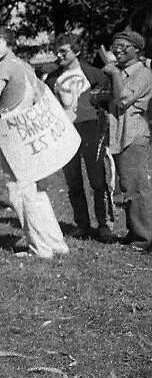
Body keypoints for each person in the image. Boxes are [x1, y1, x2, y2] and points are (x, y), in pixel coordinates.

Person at [0, 25, 68, 259]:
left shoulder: (4, 66)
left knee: (18, 190)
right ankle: (55, 242)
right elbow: (40, 95)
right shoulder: (25, 65)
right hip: (29, 130)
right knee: (36, 189)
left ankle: (39, 247)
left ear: (8, 43)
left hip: (11, 130)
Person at [46, 33, 115, 243]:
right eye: (56, 52)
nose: (58, 56)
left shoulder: (94, 74)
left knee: (98, 180)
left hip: (92, 130)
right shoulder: (52, 79)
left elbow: (109, 100)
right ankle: (82, 225)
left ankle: (104, 225)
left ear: (76, 51)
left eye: (63, 51)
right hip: (66, 134)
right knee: (73, 181)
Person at [98, 29, 152, 248]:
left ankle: (144, 238)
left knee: (137, 187)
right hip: (118, 134)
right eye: (115, 47)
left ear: (137, 50)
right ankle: (134, 231)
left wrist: (113, 73)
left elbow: (122, 100)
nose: (117, 50)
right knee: (127, 185)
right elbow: (101, 96)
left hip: (133, 135)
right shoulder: (120, 72)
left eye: (123, 46)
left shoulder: (143, 73)